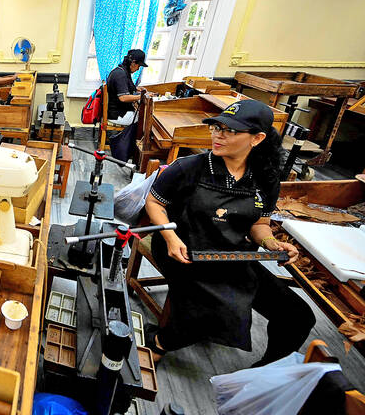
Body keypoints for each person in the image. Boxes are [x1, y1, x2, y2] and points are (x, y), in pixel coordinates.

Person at [144, 99, 314, 367]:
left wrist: (271, 243)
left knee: (298, 315)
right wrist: (170, 238)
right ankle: (159, 343)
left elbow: (259, 224)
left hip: (231, 254)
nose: (219, 135)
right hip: (184, 250)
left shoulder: (265, 179)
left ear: (256, 139)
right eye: (217, 128)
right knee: (217, 306)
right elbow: (155, 204)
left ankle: (261, 373)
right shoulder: (188, 167)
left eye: (230, 131)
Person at [105, 49, 146, 126]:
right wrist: (141, 96)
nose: (138, 69)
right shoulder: (120, 74)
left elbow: (123, 86)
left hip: (115, 111)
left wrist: (136, 88)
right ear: (133, 63)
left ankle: (129, 137)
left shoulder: (122, 70)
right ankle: (131, 138)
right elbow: (123, 97)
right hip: (117, 115)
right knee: (145, 118)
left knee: (142, 113)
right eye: (139, 66)